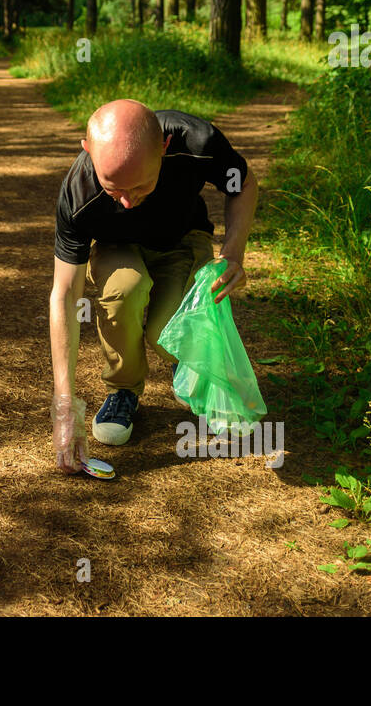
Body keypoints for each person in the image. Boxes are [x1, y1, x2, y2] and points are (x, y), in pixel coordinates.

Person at [49, 99, 258, 473]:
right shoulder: (78, 194)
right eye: (114, 189)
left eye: (141, 185)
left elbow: (242, 183)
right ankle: (123, 389)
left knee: (168, 330)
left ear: (164, 147)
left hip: (182, 237)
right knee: (123, 290)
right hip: (117, 247)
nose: (127, 202)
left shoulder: (198, 142)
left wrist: (233, 252)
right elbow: (64, 294)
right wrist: (65, 404)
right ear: (88, 150)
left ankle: (190, 366)